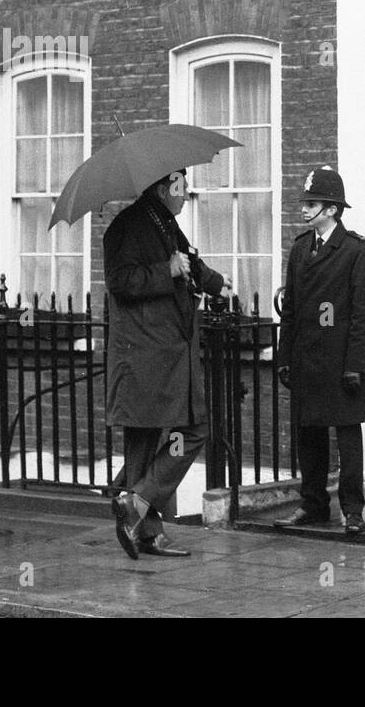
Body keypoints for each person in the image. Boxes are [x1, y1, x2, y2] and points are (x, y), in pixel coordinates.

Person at [106, 169, 229, 559]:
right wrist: (167, 270)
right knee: (192, 429)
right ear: (163, 187)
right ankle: (139, 503)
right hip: (144, 354)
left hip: (165, 353)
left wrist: (216, 283)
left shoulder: (164, 223)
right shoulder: (126, 227)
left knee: (146, 444)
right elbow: (120, 282)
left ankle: (143, 524)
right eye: (182, 187)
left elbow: (189, 260)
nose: (187, 193)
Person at [276, 166, 365, 536]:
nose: (305, 210)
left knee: (347, 435)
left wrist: (356, 365)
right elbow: (290, 310)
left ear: (333, 209)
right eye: (305, 203)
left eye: (313, 204)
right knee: (309, 435)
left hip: (340, 362)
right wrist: (284, 356)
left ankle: (352, 510)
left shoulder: (354, 250)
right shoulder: (301, 248)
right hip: (307, 359)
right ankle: (313, 504)